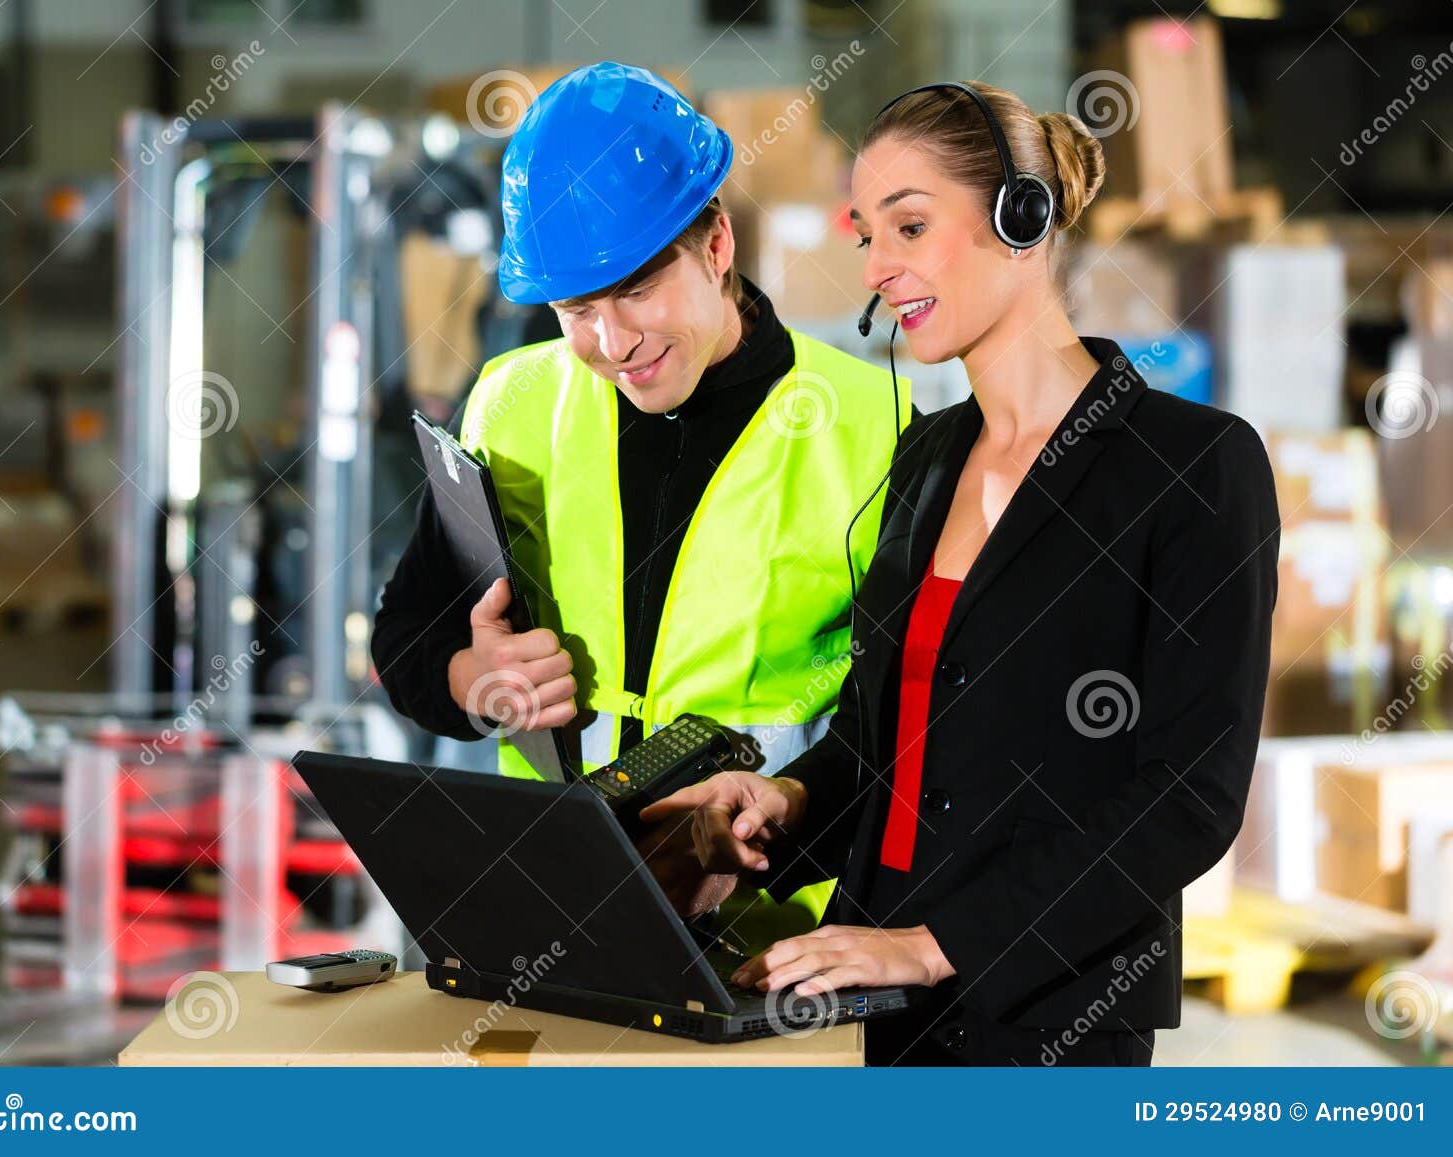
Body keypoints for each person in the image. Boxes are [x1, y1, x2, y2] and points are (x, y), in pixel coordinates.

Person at [643, 81, 1280, 1066]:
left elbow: (1190, 792)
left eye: (908, 225)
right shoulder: (928, 454)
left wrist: (937, 946)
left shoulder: (1190, 464)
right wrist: (790, 804)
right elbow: (879, 740)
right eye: (866, 236)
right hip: (865, 987)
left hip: (1042, 1014)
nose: (879, 268)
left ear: (1019, 214)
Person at [371, 62, 912, 944]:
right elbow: (409, 633)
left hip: (770, 928)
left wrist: (780, 814)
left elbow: (903, 718)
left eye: (636, 290)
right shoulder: (512, 403)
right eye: (576, 309)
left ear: (716, 245)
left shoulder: (873, 423)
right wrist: (477, 681)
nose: (612, 343)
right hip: (552, 899)